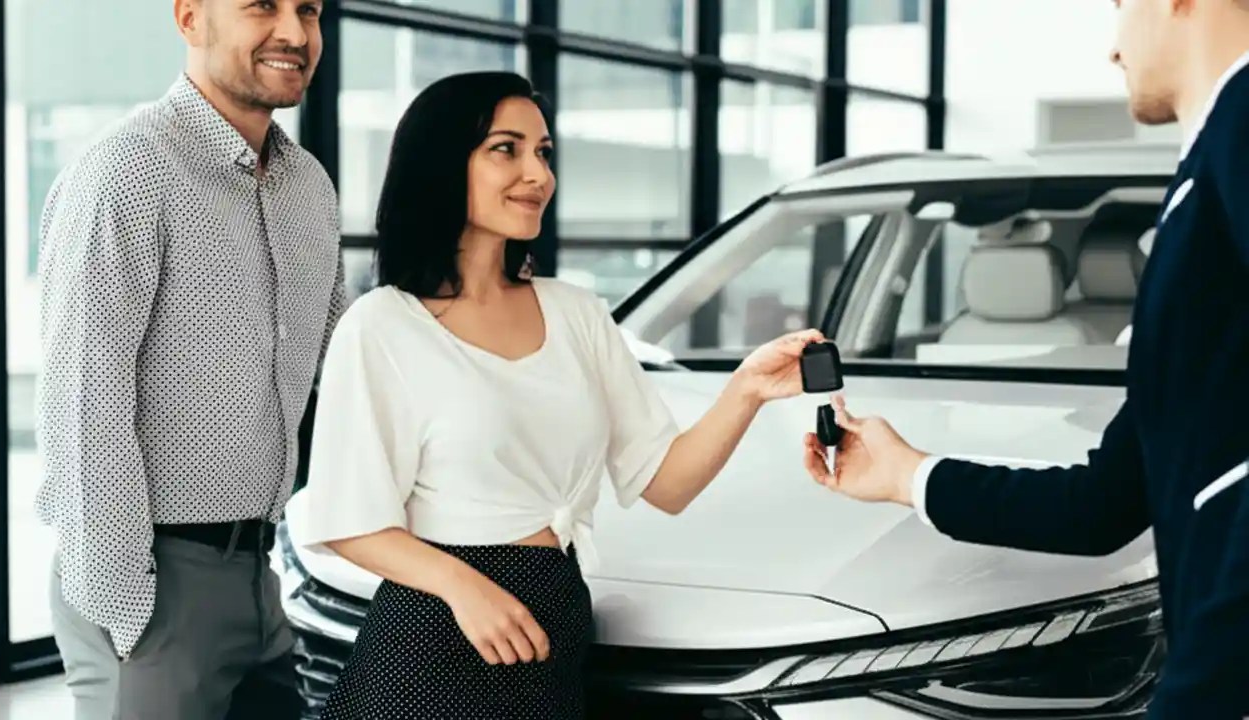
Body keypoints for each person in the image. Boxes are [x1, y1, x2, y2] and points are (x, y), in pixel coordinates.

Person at [289, 70, 822, 720]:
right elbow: (349, 521)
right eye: (505, 149)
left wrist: (748, 389)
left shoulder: (577, 314)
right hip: (433, 637)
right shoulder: (382, 325)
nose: (537, 174)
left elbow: (666, 483)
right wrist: (465, 590)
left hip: (553, 627)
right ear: (441, 163)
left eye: (544, 152)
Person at [802, 1, 1249, 717]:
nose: (1114, 49)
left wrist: (1204, 683)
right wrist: (905, 474)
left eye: (1120, 6)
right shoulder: (1207, 174)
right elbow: (1103, 506)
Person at [35, 1, 344, 718]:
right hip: (152, 589)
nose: (295, 34)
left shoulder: (310, 188)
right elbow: (84, 398)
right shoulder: (129, 169)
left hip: (262, 578)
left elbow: (342, 358)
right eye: (261, 6)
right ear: (189, 17)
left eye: (309, 10)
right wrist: (124, 609)